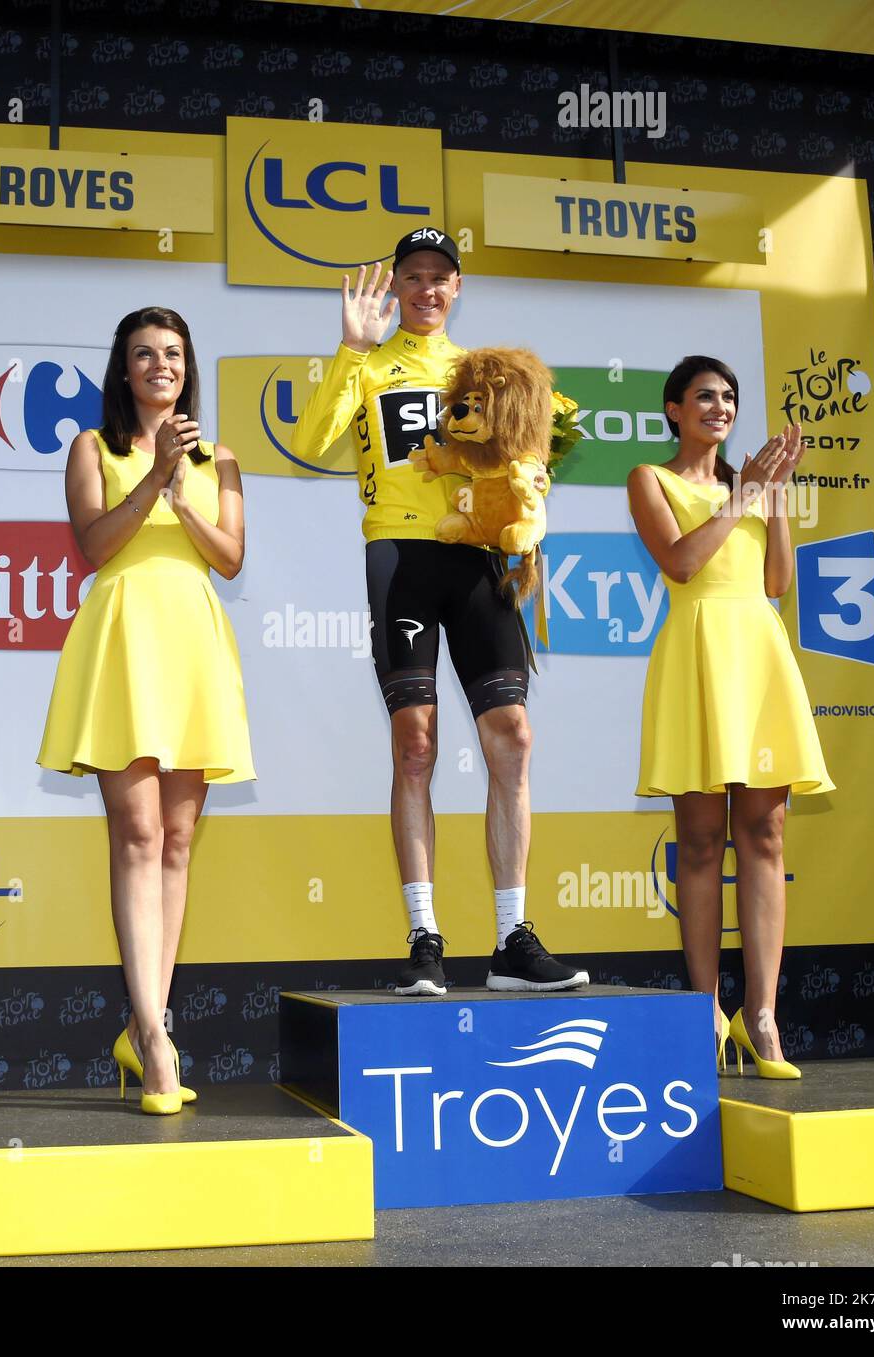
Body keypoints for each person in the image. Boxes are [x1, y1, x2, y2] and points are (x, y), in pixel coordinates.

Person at [291, 227, 588, 996]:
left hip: (478, 560)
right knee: (415, 745)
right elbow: (308, 440)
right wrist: (352, 348)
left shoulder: (482, 371)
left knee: (513, 737)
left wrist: (531, 488)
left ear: (458, 289)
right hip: (401, 557)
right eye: (413, 276)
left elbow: (533, 456)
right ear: (395, 287)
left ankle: (511, 940)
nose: (427, 288)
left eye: (440, 277)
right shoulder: (372, 363)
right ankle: (424, 936)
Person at [37, 306, 255, 1114]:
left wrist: (184, 484)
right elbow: (95, 546)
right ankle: (158, 1040)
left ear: (186, 367)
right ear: (122, 369)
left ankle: (143, 1023)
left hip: (193, 635)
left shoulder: (222, 459)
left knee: (178, 841)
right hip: (124, 635)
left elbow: (230, 558)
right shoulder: (92, 448)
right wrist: (156, 474)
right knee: (136, 834)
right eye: (143, 354)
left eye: (172, 353)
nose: (160, 364)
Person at [626, 355, 834, 1079]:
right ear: (674, 410)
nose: (720, 406)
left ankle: (764, 1017)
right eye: (704, 396)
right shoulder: (650, 479)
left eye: (729, 397)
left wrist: (771, 499)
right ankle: (706, 1010)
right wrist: (743, 496)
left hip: (757, 649)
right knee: (703, 835)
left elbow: (777, 581)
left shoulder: (752, 486)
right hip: (697, 651)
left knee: (767, 830)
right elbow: (682, 563)